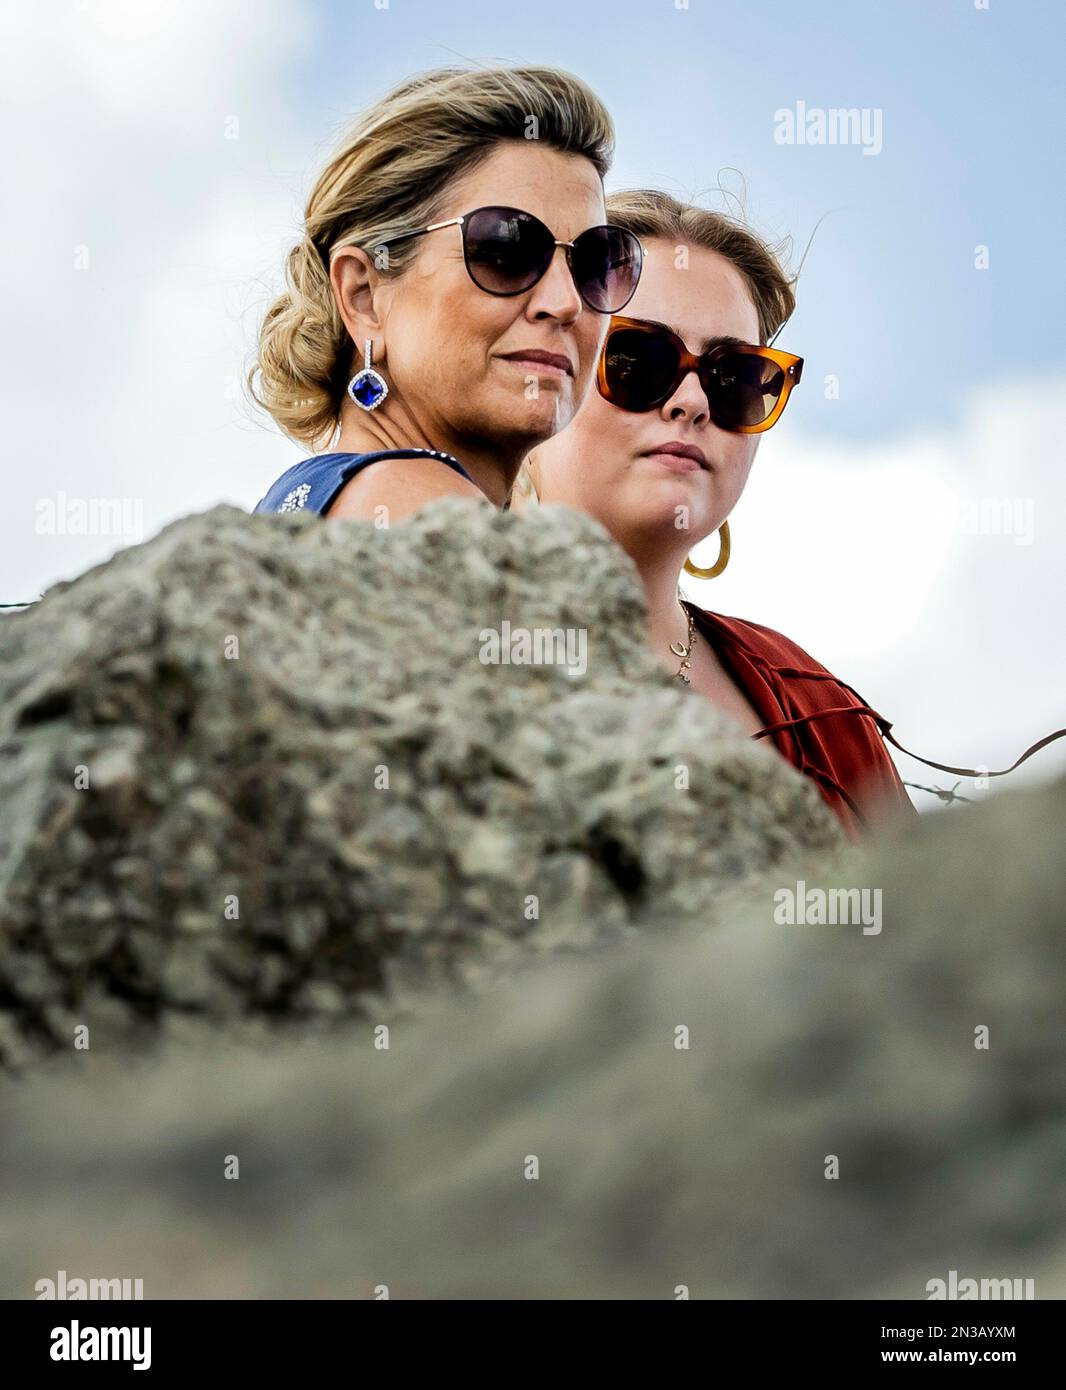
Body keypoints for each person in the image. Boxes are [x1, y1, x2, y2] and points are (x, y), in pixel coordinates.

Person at [512, 189, 918, 840]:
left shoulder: (824, 709)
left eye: (737, 377)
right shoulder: (426, 640)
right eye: (637, 359)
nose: (692, 401)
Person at [247, 65, 643, 523]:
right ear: (364, 297)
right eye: (504, 251)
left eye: (594, 263)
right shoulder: (426, 514)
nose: (565, 302)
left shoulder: (306, 502)